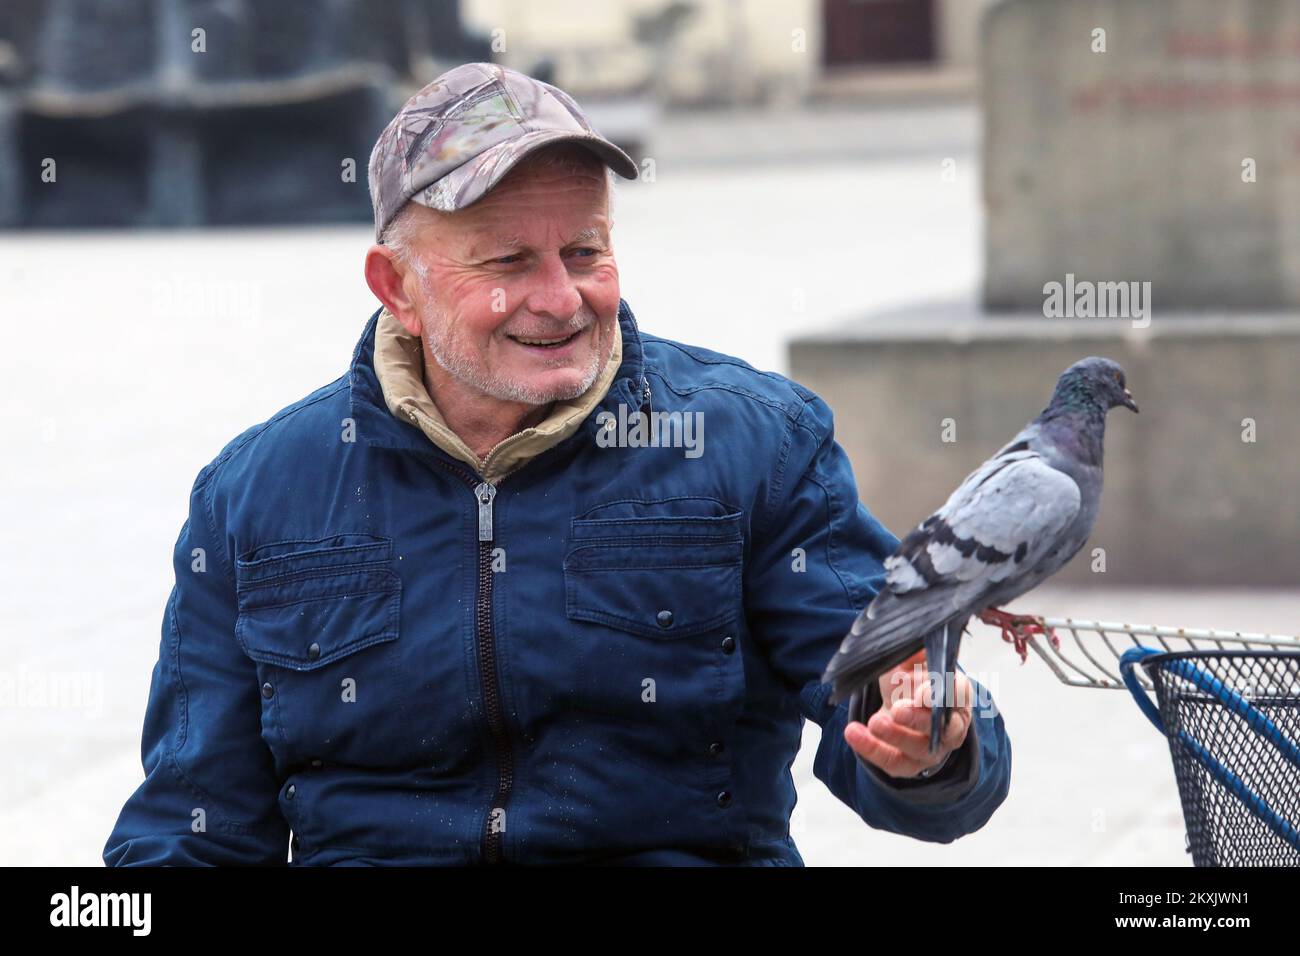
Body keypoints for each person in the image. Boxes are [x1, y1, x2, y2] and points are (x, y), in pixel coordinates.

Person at [104, 62, 1011, 866]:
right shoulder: (258, 494)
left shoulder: (757, 443)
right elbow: (193, 822)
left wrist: (934, 745)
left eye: (585, 252)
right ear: (397, 287)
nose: (560, 298)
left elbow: (899, 714)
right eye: (509, 262)